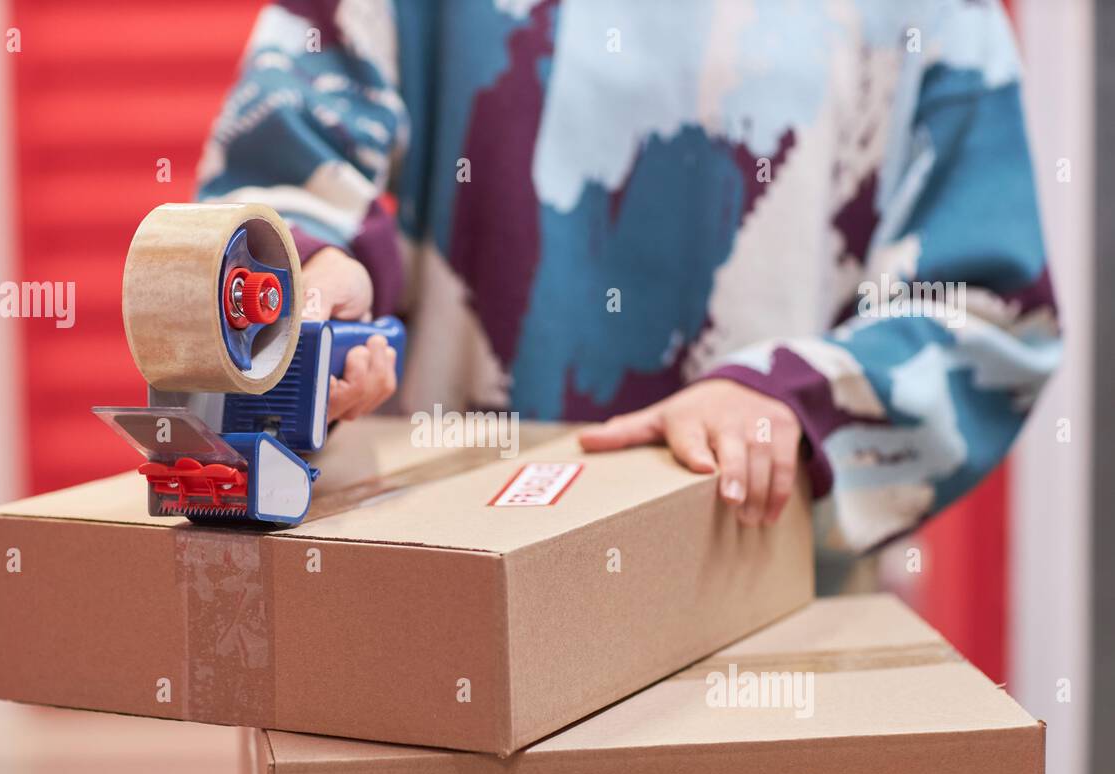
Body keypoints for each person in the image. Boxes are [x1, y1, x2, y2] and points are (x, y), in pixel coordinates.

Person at [195, 0, 1059, 553]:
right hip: (441, 587)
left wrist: (791, 397)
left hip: (755, 601)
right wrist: (314, 293)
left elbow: (992, 313)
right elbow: (266, 193)